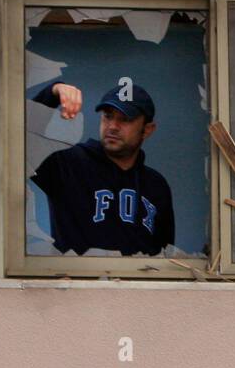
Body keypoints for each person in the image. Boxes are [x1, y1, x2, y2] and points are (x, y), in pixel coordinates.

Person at [29, 81, 175, 256]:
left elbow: (166, 256)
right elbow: (22, 141)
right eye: (108, 116)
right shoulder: (68, 163)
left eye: (125, 119)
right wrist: (53, 92)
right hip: (76, 280)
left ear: (147, 129)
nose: (113, 126)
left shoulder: (156, 185)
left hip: (138, 281)